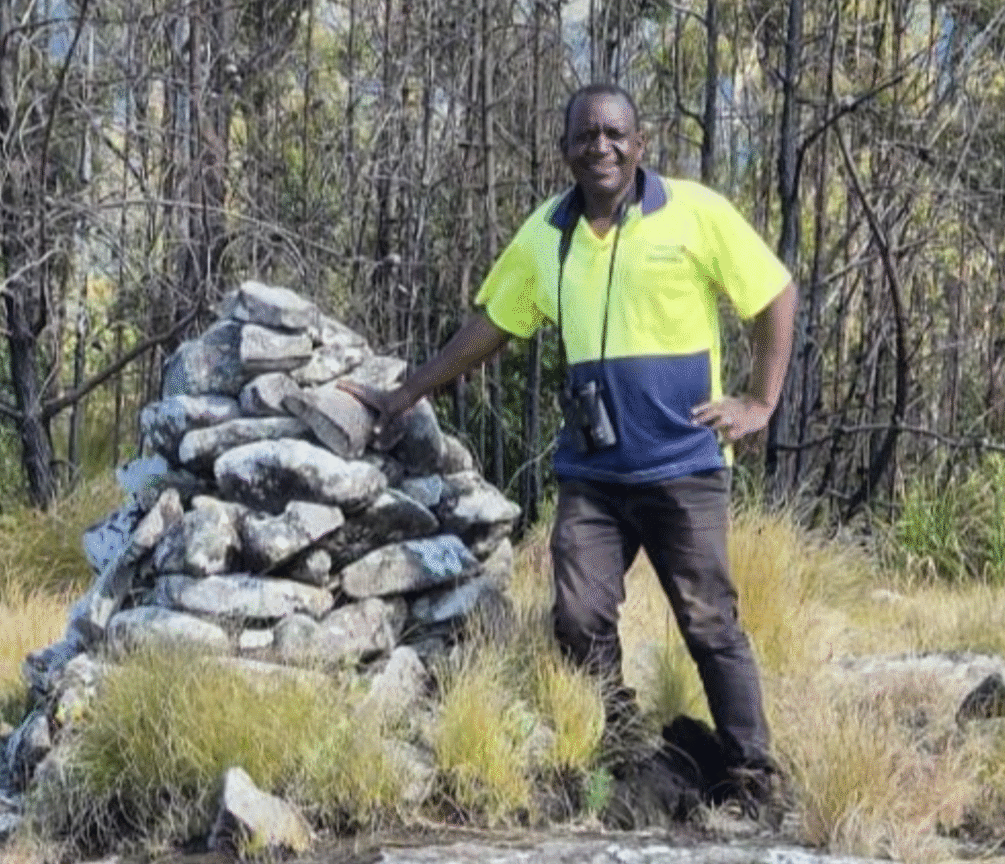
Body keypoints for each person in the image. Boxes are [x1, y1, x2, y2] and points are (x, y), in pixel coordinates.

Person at [340, 82, 797, 814]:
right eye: (586, 136)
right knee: (577, 619)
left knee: (710, 621)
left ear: (640, 144)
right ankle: (619, 749)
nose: (601, 146)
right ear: (566, 152)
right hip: (593, 473)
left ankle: (753, 778)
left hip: (685, 465)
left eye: (616, 133)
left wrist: (760, 402)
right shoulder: (546, 235)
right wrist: (406, 392)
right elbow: (491, 324)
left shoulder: (694, 212)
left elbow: (774, 294)